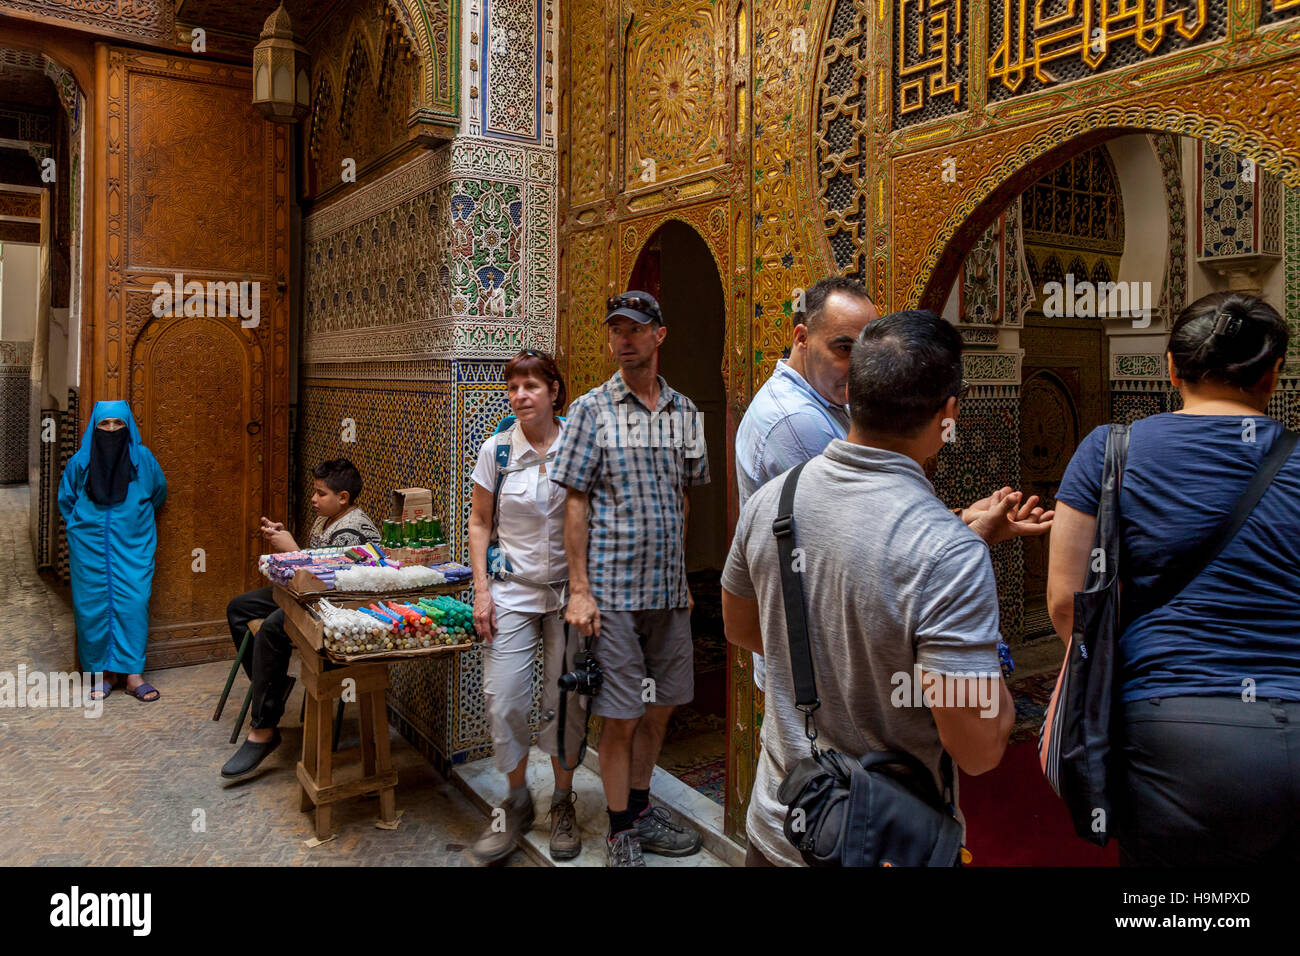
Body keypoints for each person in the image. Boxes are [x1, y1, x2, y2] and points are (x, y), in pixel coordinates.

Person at [722, 310, 1014, 866]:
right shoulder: (949, 553)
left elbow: (741, 628)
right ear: (948, 414)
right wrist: (992, 657)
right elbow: (977, 749)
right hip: (882, 846)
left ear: (851, 390)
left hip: (781, 826)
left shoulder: (773, 503)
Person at [1049, 291, 1300, 865]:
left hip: (1168, 728)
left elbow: (1068, 603)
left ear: (1170, 366)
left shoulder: (1110, 451)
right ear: (1273, 375)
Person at [735, 275, 1054, 690]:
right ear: (801, 337)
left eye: (864, 351)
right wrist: (965, 537)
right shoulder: (797, 422)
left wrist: (960, 519)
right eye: (843, 348)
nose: (858, 367)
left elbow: (868, 531)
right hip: (832, 671)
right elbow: (865, 551)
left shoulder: (827, 404)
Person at [552, 290, 710, 867]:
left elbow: (684, 499)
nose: (624, 338)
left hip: (667, 593)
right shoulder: (592, 411)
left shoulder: (685, 412)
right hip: (611, 596)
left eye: (636, 328)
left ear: (658, 336)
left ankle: (640, 808)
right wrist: (579, 589)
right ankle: (621, 833)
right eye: (616, 329)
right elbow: (574, 504)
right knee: (619, 717)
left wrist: (685, 577)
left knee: (662, 707)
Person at [466, 349, 586, 864]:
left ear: (554, 391)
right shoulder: (496, 452)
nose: (520, 396)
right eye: (513, 388)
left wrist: (588, 589)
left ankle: (562, 802)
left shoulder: (577, 449)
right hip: (511, 592)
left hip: (566, 594)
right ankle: (516, 800)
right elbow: (479, 522)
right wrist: (481, 590)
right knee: (505, 697)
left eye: (531, 386)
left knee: (567, 705)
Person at [222, 458, 381, 779]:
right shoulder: (326, 520)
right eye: (315, 492)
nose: (313, 498)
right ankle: (274, 687)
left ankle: (264, 728)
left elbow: (332, 588)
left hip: (335, 609)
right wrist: (289, 545)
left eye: (321, 493)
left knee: (271, 629)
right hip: (308, 595)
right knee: (239, 609)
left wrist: (291, 550)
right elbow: (312, 572)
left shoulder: (351, 530)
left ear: (344, 498)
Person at [58, 401, 168, 702]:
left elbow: (158, 491)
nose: (111, 430)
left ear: (127, 426)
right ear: (95, 428)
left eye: (117, 424)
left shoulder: (142, 459)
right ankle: (102, 674)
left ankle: (133, 676)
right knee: (91, 608)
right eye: (104, 424)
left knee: (134, 602)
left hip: (132, 546)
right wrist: (84, 528)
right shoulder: (82, 461)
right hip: (89, 549)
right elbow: (66, 498)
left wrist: (131, 522)